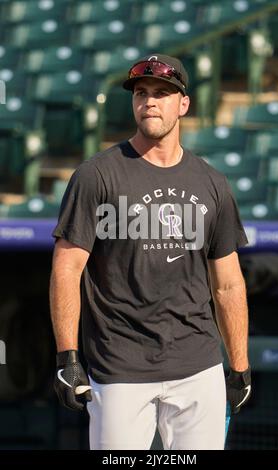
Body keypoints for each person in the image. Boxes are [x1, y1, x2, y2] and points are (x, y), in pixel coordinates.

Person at [49, 53, 251, 450]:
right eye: (142, 93)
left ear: (184, 104)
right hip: (119, 364)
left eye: (162, 93)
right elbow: (66, 269)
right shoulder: (97, 175)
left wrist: (239, 366)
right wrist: (67, 357)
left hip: (198, 365)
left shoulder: (212, 183)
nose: (150, 102)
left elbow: (227, 283)